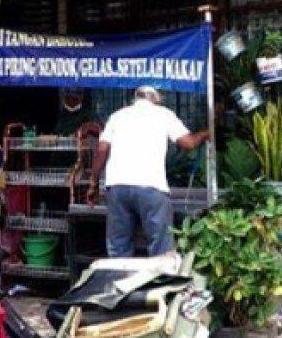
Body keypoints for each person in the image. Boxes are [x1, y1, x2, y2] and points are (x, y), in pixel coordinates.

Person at [88, 85, 210, 257]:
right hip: (151, 187)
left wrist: (93, 183)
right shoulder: (164, 114)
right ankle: (160, 281)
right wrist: (207, 133)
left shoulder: (117, 116)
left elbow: (101, 150)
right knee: (161, 246)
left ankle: (118, 279)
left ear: (135, 97)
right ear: (157, 97)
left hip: (117, 188)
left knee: (118, 246)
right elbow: (188, 143)